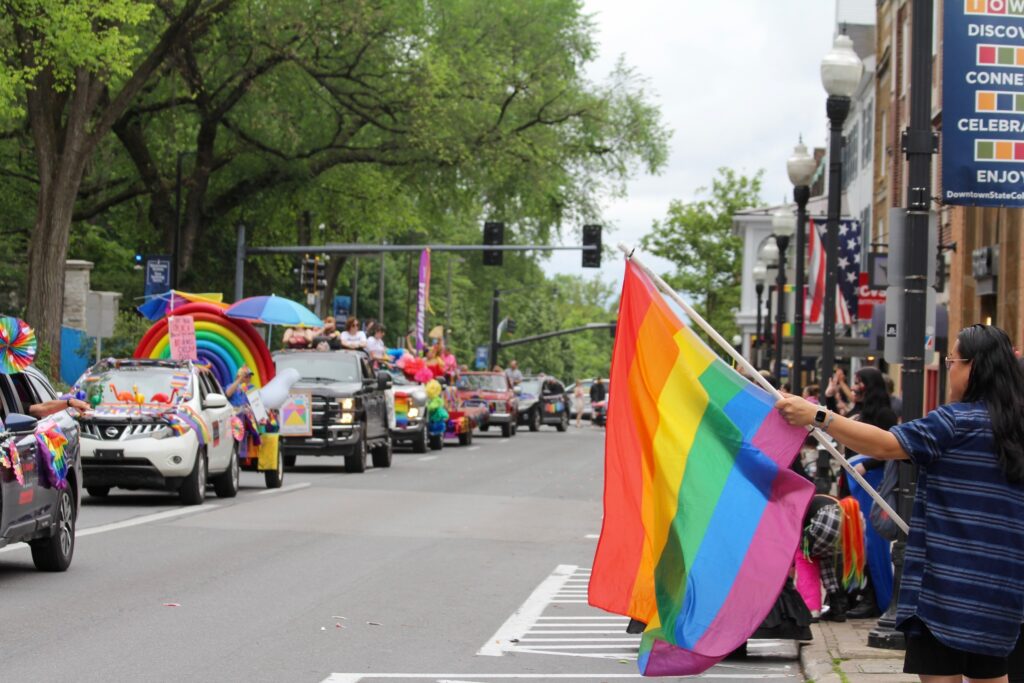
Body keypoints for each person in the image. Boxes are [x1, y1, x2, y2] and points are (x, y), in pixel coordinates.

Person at [776, 324, 1024, 682]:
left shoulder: (955, 422)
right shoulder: (1015, 426)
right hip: (1002, 587)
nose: (949, 368)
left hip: (945, 587)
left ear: (974, 366)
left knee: (941, 676)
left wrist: (819, 417)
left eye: (952, 360)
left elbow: (884, 445)